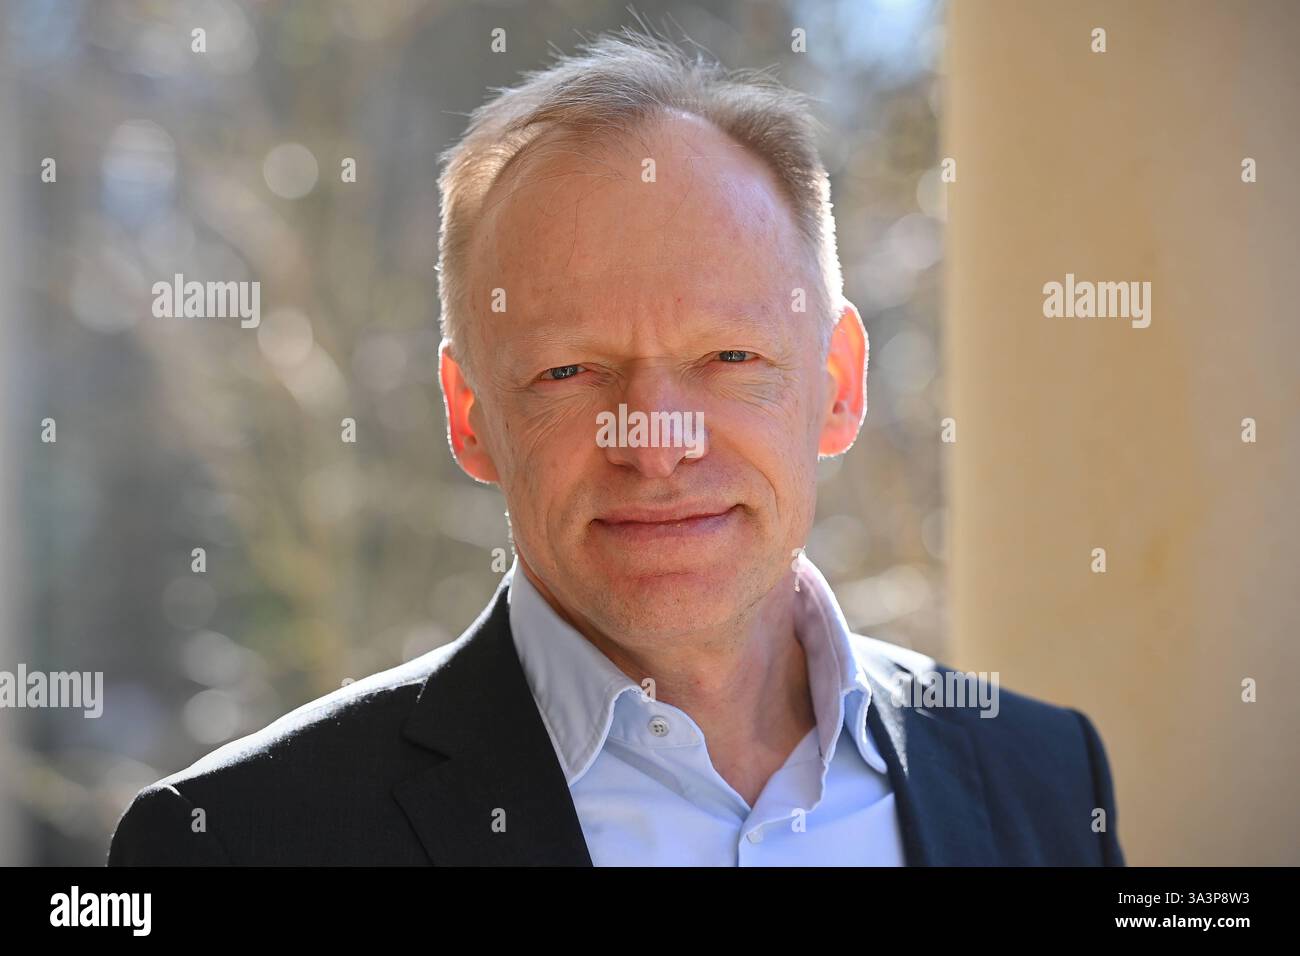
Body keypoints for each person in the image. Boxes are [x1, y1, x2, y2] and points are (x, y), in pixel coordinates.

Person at [109, 29, 1123, 866]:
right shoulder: (241, 843)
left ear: (839, 383)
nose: (655, 442)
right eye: (569, 373)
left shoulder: (1039, 775)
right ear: (469, 416)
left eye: (729, 354)